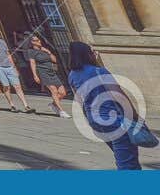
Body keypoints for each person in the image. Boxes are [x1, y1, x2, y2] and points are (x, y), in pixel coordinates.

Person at [67, 41, 145, 170]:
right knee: (127, 163)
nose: (94, 54)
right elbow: (118, 95)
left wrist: (90, 121)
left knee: (123, 155)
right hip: (114, 120)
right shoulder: (99, 71)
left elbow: (80, 100)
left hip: (95, 120)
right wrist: (134, 115)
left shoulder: (72, 75)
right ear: (87, 54)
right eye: (92, 52)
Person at [23, 34, 70, 118]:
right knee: (54, 91)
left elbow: (54, 60)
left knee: (63, 92)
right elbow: (32, 63)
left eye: (39, 40)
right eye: (36, 40)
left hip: (52, 72)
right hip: (43, 72)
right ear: (32, 42)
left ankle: (53, 104)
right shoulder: (31, 52)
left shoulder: (44, 49)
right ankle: (61, 111)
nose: (39, 41)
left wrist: (48, 52)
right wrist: (35, 75)